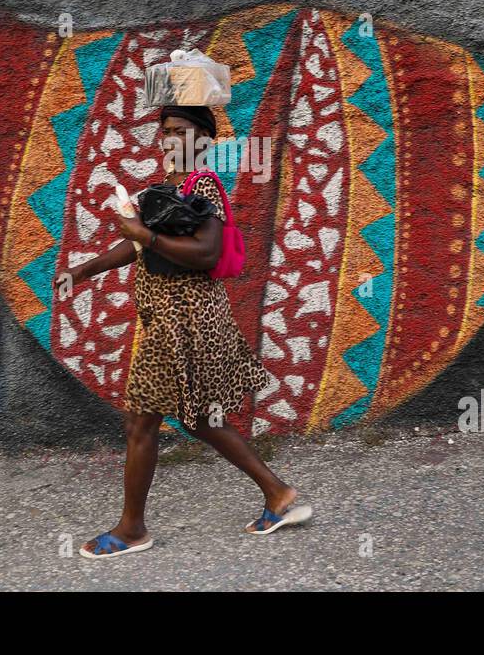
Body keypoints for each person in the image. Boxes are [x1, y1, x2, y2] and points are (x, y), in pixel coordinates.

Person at [57, 104, 312, 558]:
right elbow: (136, 244)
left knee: (141, 421)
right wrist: (85, 269)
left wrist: (145, 234)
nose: (170, 139)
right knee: (201, 417)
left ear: (203, 140)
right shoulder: (172, 187)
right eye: (165, 131)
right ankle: (278, 495)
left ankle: (132, 529)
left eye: (181, 131)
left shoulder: (205, 185)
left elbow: (206, 253)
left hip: (184, 320)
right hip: (173, 317)